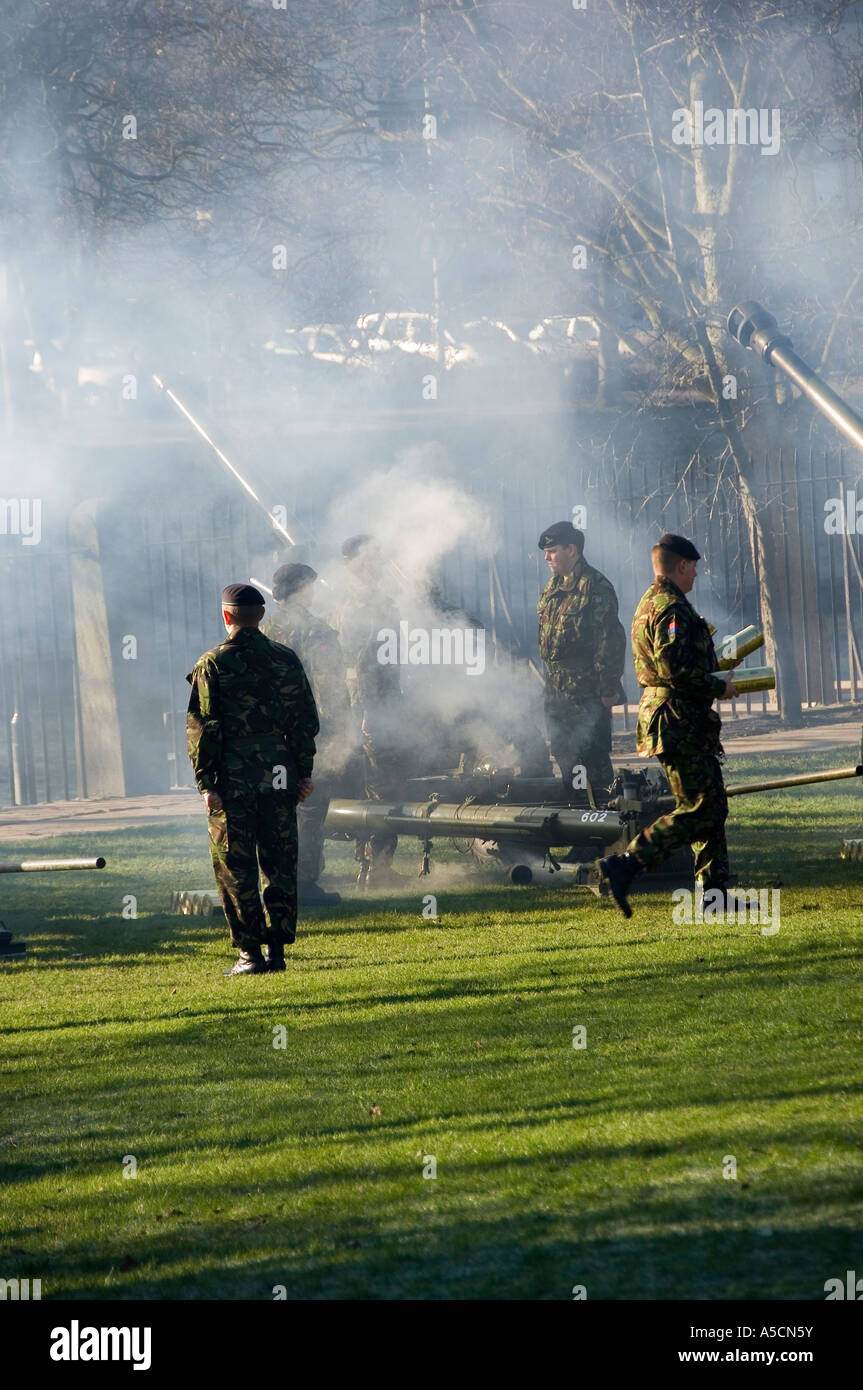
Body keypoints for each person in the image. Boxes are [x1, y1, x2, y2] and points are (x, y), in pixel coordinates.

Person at [599, 534, 740, 918]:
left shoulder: (652, 602)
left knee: (711, 805)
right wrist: (717, 686)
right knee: (699, 809)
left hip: (680, 719)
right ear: (681, 565)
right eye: (693, 567)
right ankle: (628, 862)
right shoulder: (671, 608)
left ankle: (715, 894)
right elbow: (673, 668)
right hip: (676, 720)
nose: (696, 574)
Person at [186, 583, 319, 975]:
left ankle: (249, 954)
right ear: (262, 616)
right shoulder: (286, 659)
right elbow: (305, 722)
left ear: (227, 616)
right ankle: (277, 950)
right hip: (279, 776)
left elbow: (203, 728)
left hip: (233, 780)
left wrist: (206, 784)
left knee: (234, 867)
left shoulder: (212, 664)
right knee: (279, 864)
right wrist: (303, 773)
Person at [262, 562, 357, 906]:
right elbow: (329, 687)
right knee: (311, 806)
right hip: (308, 734)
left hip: (270, 737)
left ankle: (277, 880)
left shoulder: (267, 627)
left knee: (276, 808)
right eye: (312, 586)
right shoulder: (315, 631)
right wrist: (339, 732)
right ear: (303, 588)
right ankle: (304, 882)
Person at [537, 520, 626, 803]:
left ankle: (602, 826)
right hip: (556, 693)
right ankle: (578, 820)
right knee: (566, 758)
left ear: (571, 550)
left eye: (552, 550)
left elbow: (609, 640)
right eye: (546, 551)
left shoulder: (595, 587)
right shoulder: (552, 588)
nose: (546, 557)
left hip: (585, 694)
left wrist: (607, 687)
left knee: (592, 760)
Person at [337, 535, 406, 886]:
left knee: (371, 784)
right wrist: (366, 709)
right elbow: (363, 662)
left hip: (374, 703)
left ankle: (370, 866)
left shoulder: (363, 599)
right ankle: (377, 869)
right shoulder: (367, 602)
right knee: (383, 785)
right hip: (374, 707)